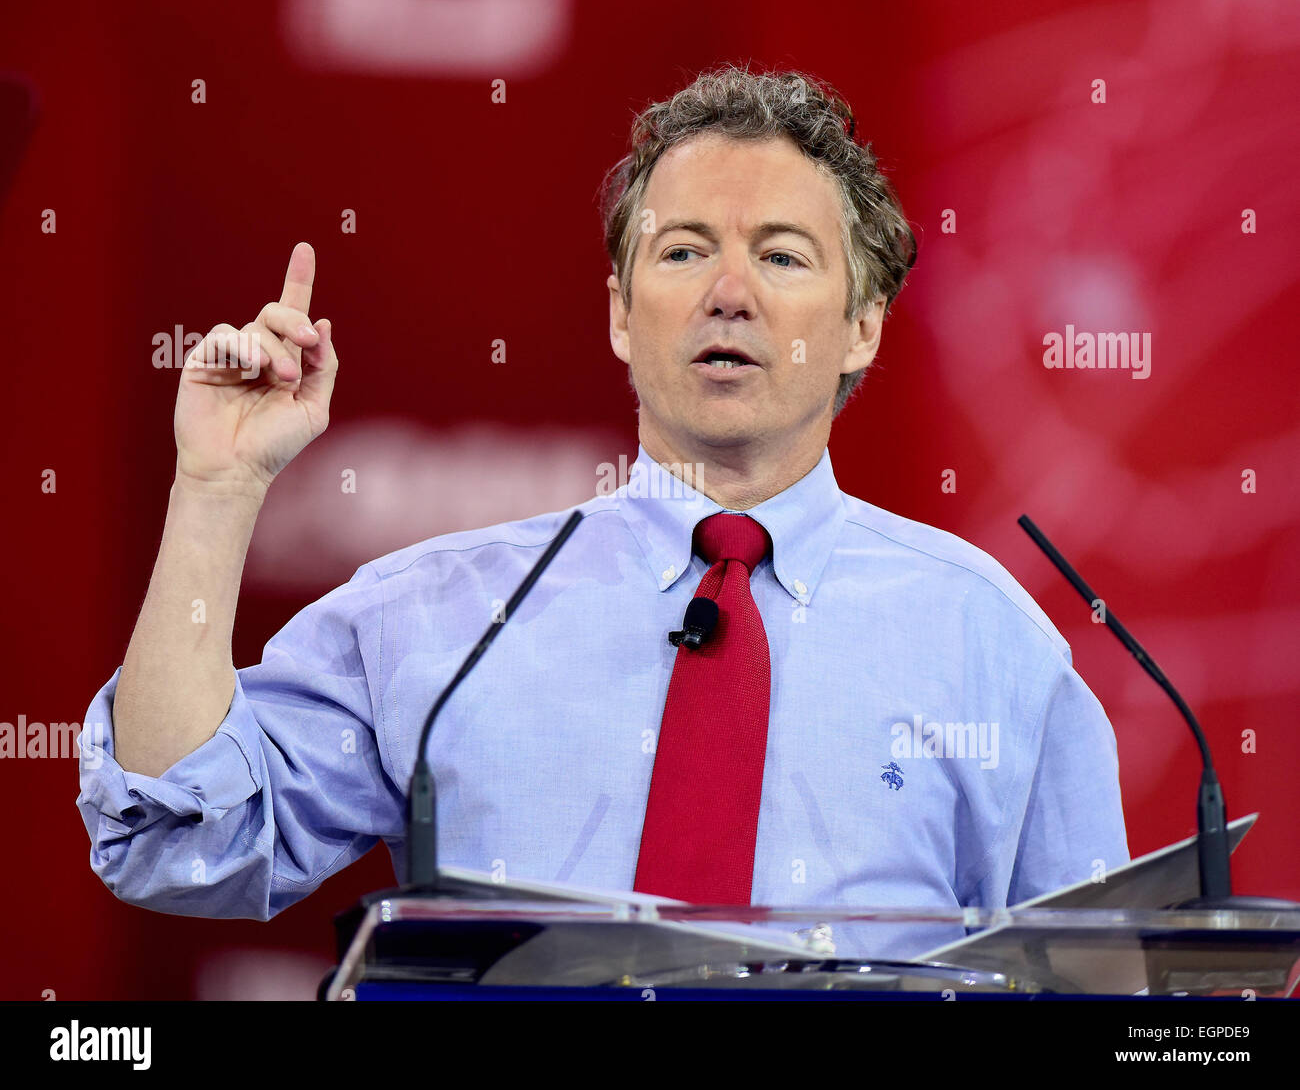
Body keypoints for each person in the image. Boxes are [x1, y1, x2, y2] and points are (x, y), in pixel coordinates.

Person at [77, 64, 1127, 960]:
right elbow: (175, 841)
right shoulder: (439, 616)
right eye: (681, 252)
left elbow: (1112, 984)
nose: (728, 290)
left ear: (860, 326)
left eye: (780, 255)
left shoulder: (986, 641)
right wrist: (216, 493)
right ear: (621, 315)